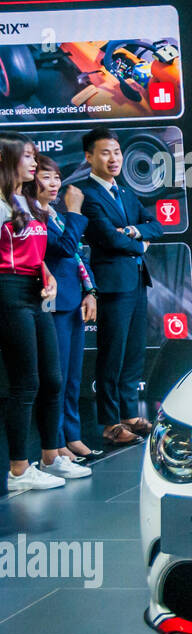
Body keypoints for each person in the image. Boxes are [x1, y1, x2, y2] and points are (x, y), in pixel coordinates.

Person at [79, 127, 161, 446]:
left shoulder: (125, 191)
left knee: (134, 350)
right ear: (89, 157)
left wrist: (132, 231)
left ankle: (129, 414)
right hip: (112, 284)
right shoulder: (87, 195)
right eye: (105, 152)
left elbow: (155, 225)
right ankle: (110, 423)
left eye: (116, 152)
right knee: (112, 354)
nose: (113, 158)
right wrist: (139, 243)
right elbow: (107, 238)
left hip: (136, 280)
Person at [0, 135, 71, 492]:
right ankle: (18, 471)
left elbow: (37, 253)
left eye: (34, 156)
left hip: (38, 291)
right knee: (25, 382)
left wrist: (49, 276)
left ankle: (50, 457)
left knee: (52, 379)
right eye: (27, 156)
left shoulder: (28, 202)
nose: (34, 163)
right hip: (9, 290)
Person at [29, 154, 101, 464]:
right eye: (45, 177)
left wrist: (90, 291)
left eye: (57, 177)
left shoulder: (55, 215)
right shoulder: (31, 217)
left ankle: (72, 436)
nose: (54, 183)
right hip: (51, 305)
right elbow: (65, 248)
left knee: (72, 378)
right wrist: (74, 210)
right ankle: (55, 442)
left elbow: (79, 256)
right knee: (55, 379)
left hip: (73, 301)